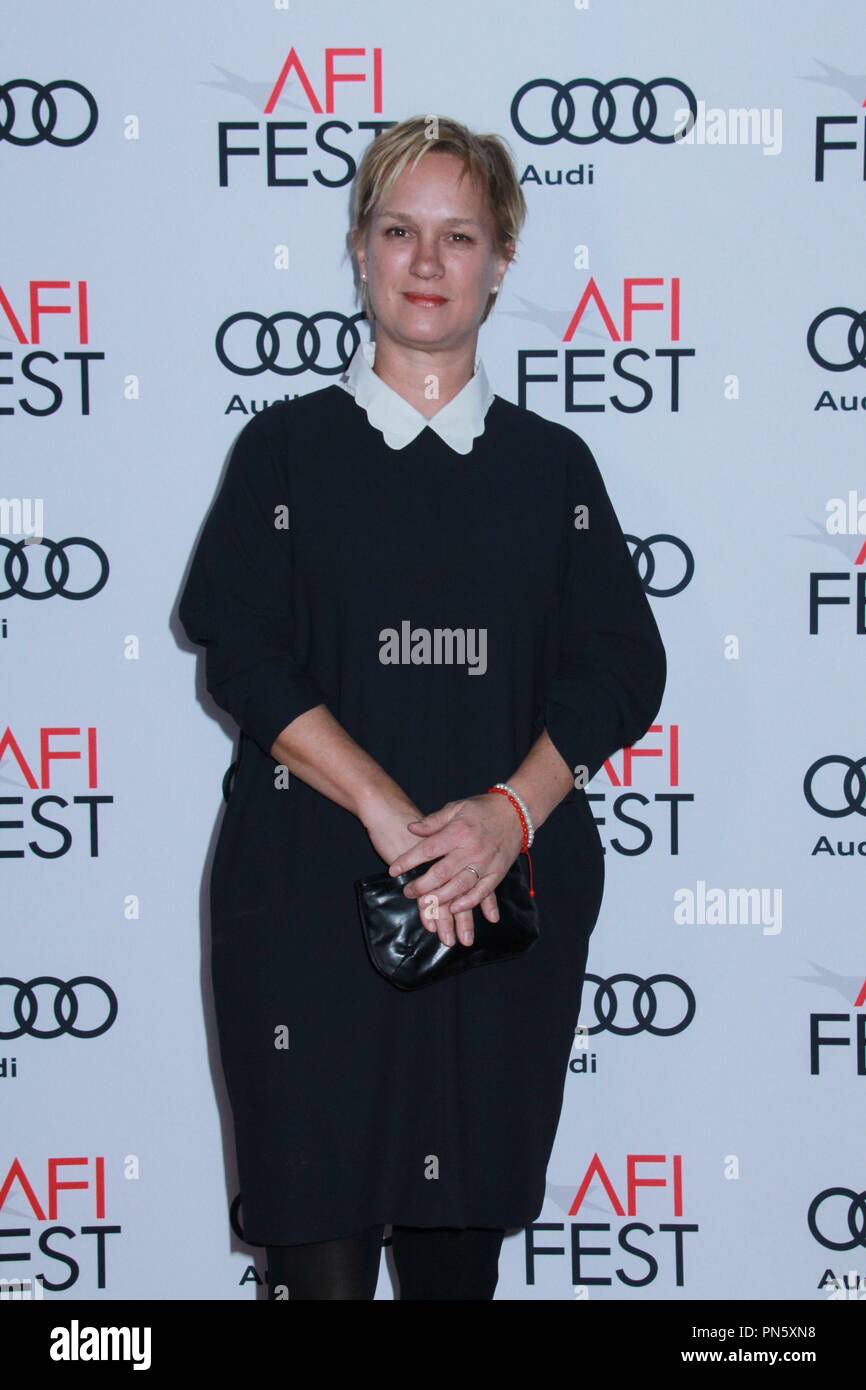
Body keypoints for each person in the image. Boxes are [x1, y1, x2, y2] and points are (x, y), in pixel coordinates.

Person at [177, 113, 667, 1301]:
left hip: (497, 913)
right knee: (320, 1258)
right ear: (357, 250)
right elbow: (238, 649)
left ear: (502, 260)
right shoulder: (285, 452)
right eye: (399, 231)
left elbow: (619, 669)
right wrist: (389, 812)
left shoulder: (553, 470)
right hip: (301, 905)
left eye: (459, 235)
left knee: (456, 1269)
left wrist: (508, 810)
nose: (427, 262)